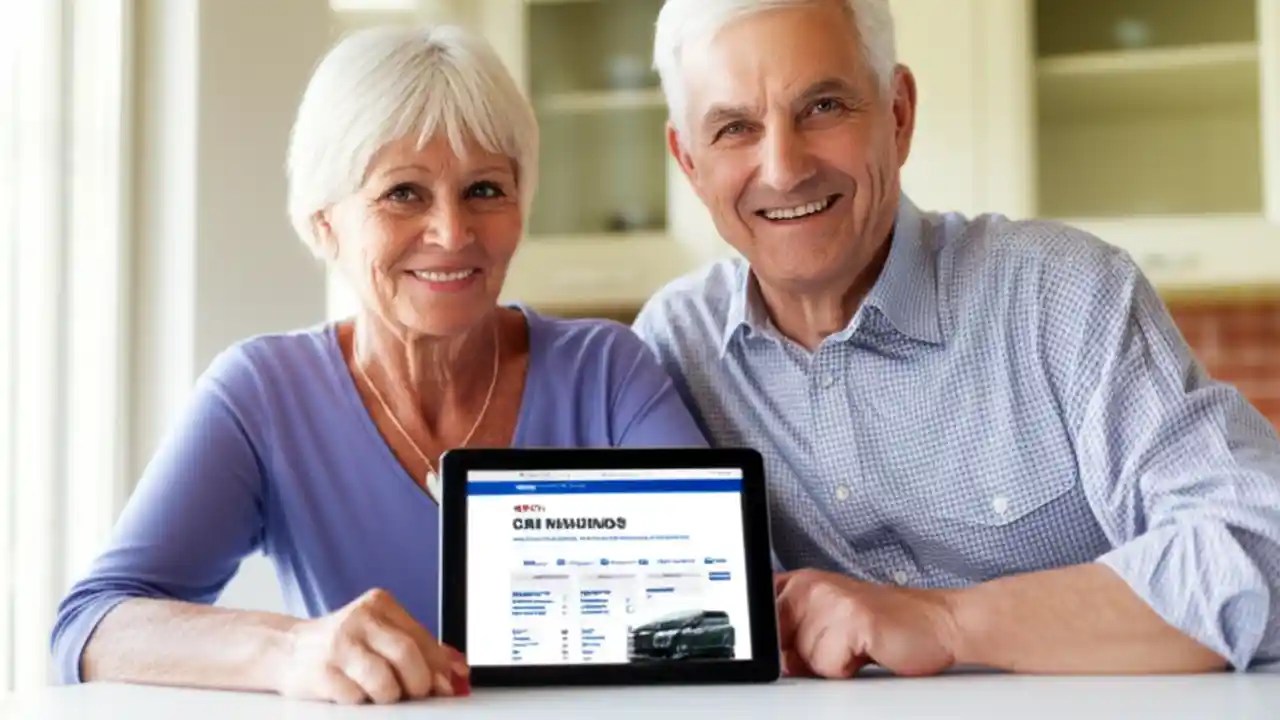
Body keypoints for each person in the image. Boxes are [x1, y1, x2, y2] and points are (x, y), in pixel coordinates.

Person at [51, 24, 706, 704]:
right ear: (324, 220)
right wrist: (289, 649)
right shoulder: (262, 396)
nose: (453, 233)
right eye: (404, 193)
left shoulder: (606, 373)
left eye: (485, 189)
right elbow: (90, 627)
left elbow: (727, 610)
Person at [634, 0, 1280, 678]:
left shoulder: (1058, 295)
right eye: (735, 127)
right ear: (688, 160)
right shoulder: (674, 348)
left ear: (898, 114)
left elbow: (1261, 546)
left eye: (823, 107)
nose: (784, 168)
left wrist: (944, 620)